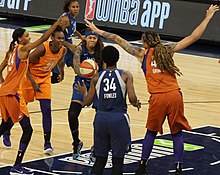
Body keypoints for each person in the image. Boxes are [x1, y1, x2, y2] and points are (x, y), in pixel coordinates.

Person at [84, 4, 219, 175]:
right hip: (174, 95)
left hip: (158, 98)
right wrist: (208, 17)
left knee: (151, 132)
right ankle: (178, 167)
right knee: (176, 133)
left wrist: (97, 29)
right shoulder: (167, 50)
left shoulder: (141, 54)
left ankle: (142, 165)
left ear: (145, 42)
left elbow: (117, 39)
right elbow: (193, 37)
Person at [0, 18, 64, 175]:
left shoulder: (12, 51)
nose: (29, 38)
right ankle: (17, 166)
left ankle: (17, 163)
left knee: (6, 124)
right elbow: (43, 39)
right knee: (27, 130)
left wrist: (5, 83)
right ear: (19, 39)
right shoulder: (23, 49)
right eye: (27, 36)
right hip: (13, 94)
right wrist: (56, 24)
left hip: (4, 92)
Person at [76, 45, 141, 175]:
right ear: (117, 58)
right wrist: (136, 103)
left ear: (102, 59)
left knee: (100, 159)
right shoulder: (125, 75)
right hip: (118, 119)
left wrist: (85, 92)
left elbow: (86, 103)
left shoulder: (96, 77)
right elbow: (132, 98)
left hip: (101, 119)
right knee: (118, 160)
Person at [68, 29, 104, 159]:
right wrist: (87, 72)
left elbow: (104, 70)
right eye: (90, 38)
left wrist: (96, 76)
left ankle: (97, 146)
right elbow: (76, 67)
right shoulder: (80, 49)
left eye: (94, 38)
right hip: (81, 83)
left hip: (97, 85)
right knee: (72, 115)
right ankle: (76, 142)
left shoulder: (101, 51)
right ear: (86, 39)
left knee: (100, 119)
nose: (92, 41)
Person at [51, 0, 84, 84]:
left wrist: (81, 37)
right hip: (62, 47)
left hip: (68, 47)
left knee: (78, 67)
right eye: (73, 7)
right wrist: (69, 46)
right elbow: (57, 36)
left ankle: (82, 82)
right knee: (56, 78)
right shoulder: (65, 19)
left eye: (77, 7)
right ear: (69, 8)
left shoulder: (72, 17)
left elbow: (73, 29)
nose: (76, 9)